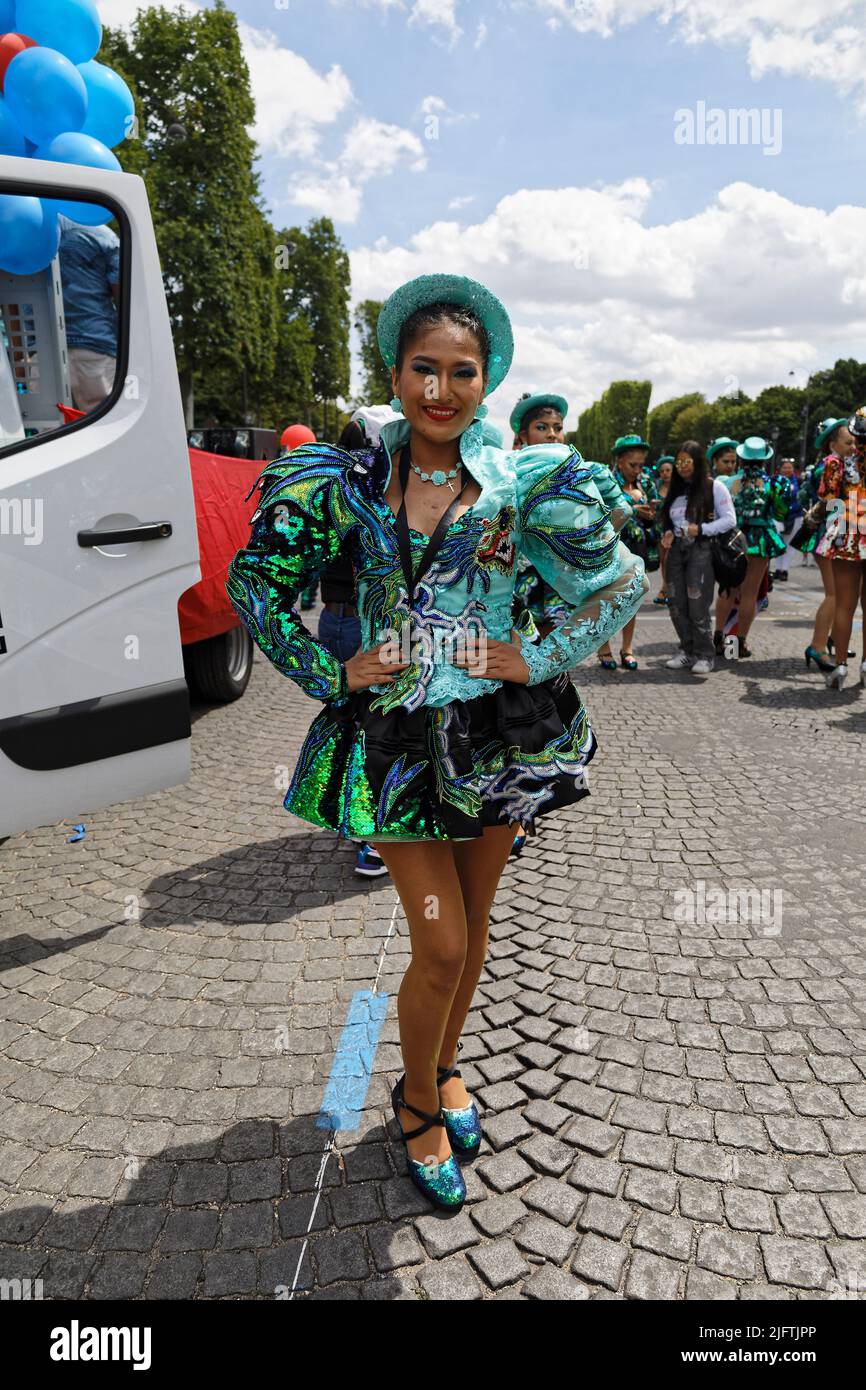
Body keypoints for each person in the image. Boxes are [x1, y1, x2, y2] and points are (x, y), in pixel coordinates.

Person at [226, 274, 648, 1212]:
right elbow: (252, 583)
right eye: (425, 369)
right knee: (442, 942)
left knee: (478, 923)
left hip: (495, 734)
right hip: (394, 744)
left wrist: (535, 657)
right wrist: (332, 673)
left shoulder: (520, 485)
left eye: (463, 373)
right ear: (395, 371)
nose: (441, 391)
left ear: (486, 381)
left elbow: (622, 583)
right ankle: (417, 1102)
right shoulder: (347, 483)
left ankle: (445, 1069)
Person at [660, 440, 736, 674]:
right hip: (676, 551)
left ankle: (705, 654)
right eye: (678, 462)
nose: (682, 467)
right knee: (676, 603)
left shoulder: (713, 487)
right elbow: (668, 521)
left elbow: (730, 520)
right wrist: (668, 534)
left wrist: (701, 529)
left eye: (687, 462)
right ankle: (686, 650)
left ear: (698, 462)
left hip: (701, 550)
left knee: (697, 603)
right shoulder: (675, 489)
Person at [714, 437, 792, 657]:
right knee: (749, 593)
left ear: (742, 458)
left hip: (733, 540)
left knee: (727, 590)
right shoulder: (774, 484)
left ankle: (719, 637)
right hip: (759, 541)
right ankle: (738, 644)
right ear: (764, 461)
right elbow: (780, 513)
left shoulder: (728, 482)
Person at [794, 418, 853, 672]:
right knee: (835, 594)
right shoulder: (830, 466)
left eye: (855, 441)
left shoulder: (839, 464)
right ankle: (816, 647)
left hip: (838, 533)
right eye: (848, 441)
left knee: (840, 595)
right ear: (832, 444)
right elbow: (829, 502)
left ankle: (830, 639)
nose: (854, 446)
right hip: (830, 534)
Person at [597, 433, 658, 670]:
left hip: (636, 547)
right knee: (608, 598)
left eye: (641, 465)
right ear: (620, 460)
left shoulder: (646, 482)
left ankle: (627, 648)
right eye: (633, 465)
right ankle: (604, 648)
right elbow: (599, 510)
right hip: (610, 547)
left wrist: (651, 513)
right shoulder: (606, 481)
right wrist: (631, 506)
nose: (638, 470)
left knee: (633, 597)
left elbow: (655, 509)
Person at [815, 407, 866, 689]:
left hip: (848, 533)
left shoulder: (837, 462)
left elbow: (829, 498)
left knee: (844, 605)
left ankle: (841, 666)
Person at [57, 213, 120, 412]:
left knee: (48, 438)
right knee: (103, 429)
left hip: (41, 352)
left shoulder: (26, 233)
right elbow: (125, 299)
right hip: (96, 346)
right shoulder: (104, 237)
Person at [773, 458, 800, 580]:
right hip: (778, 517)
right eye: (785, 467)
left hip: (795, 516)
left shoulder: (798, 481)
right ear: (780, 469)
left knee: (789, 544)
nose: (788, 470)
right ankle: (777, 569)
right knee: (779, 543)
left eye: (790, 467)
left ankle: (785, 570)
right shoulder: (774, 481)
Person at [653, 455, 674, 604]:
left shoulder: (679, 488)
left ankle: (667, 589)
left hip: (674, 529)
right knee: (663, 561)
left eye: (668, 470)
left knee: (671, 560)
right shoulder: (655, 488)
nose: (665, 473)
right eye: (662, 471)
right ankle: (665, 588)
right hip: (660, 528)